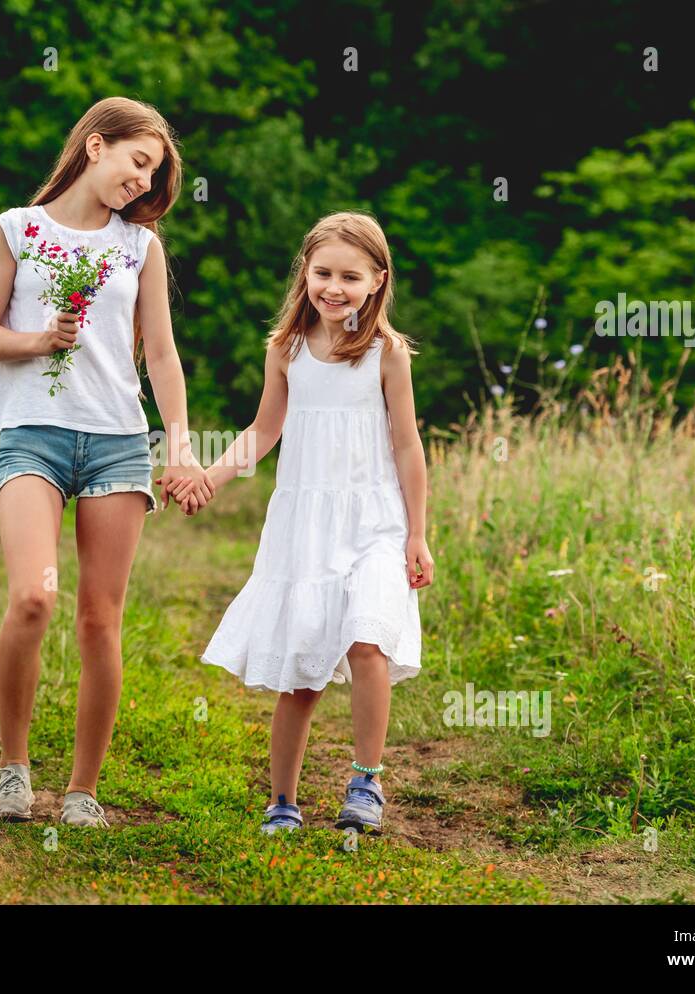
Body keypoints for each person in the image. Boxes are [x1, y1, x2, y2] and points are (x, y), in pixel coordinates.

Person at [0, 97, 212, 827]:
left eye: (154, 175)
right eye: (139, 163)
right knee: (32, 599)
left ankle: (81, 792)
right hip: (33, 433)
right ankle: (13, 771)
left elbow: (161, 354)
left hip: (116, 441)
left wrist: (182, 441)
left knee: (101, 621)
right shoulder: (17, 229)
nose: (143, 182)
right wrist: (41, 340)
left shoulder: (141, 247)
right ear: (97, 145)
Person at [176, 211, 434, 835]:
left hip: (375, 520)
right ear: (306, 274)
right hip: (307, 526)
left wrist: (417, 533)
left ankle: (365, 782)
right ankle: (283, 801)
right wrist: (211, 475)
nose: (334, 287)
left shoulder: (386, 354)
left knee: (368, 642)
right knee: (303, 671)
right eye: (323, 273)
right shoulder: (286, 349)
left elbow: (407, 445)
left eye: (350, 276)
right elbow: (265, 431)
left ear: (377, 280)